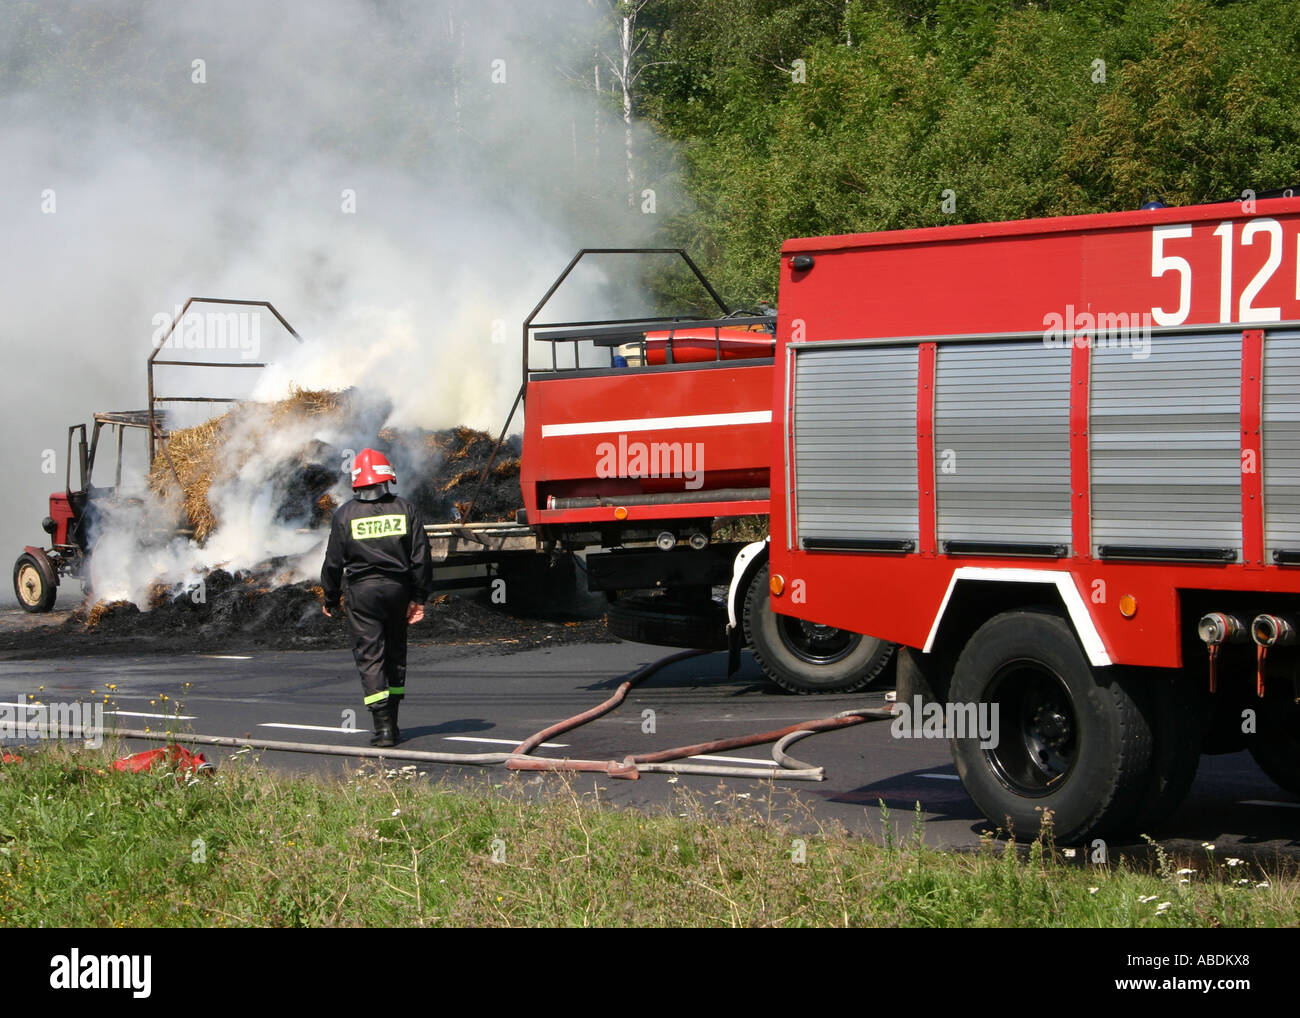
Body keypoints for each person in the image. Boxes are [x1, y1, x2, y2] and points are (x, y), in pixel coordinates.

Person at [321, 448, 433, 747]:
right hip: (398, 592)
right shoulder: (405, 509)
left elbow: (333, 563)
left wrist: (331, 599)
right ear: (387, 478)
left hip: (362, 594)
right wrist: (419, 598)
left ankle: (383, 730)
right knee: (396, 654)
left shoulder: (345, 514)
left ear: (356, 481)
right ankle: (394, 724)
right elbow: (421, 558)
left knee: (372, 658)